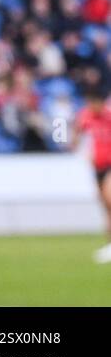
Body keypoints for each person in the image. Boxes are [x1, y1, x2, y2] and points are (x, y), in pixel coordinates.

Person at [73, 86, 111, 264]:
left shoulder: (108, 116)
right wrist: (78, 148)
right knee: (105, 207)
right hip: (97, 167)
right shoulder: (85, 116)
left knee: (109, 198)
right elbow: (76, 135)